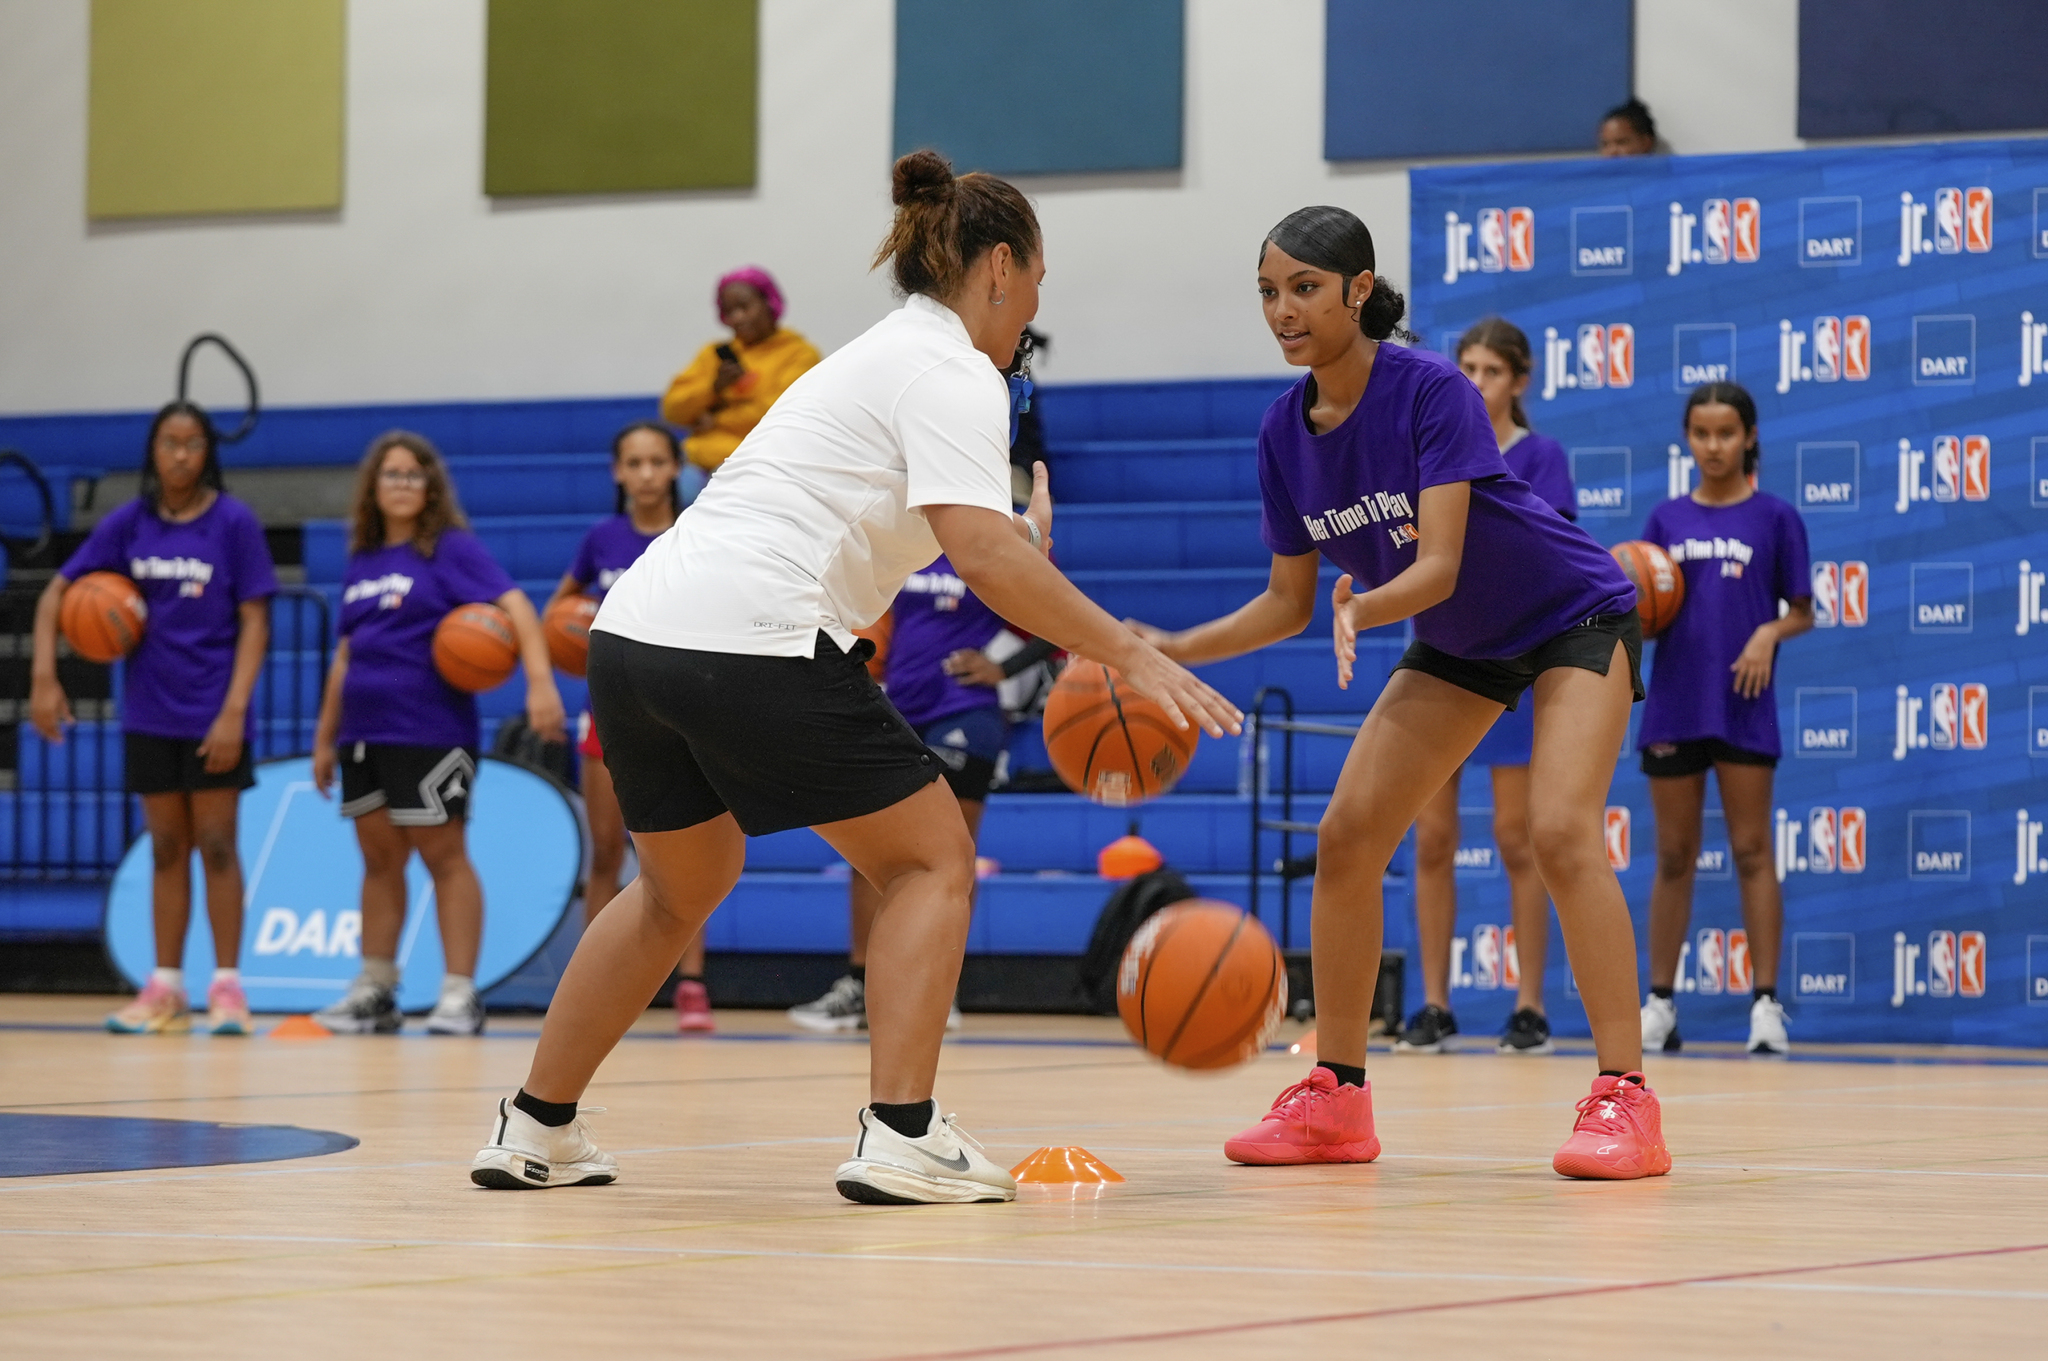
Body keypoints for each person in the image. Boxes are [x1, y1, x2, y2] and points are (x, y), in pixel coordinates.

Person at [470, 149, 1238, 1203]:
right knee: (932, 860)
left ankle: (535, 1123)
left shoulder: (877, 357)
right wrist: (1129, 647)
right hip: (751, 633)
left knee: (676, 889)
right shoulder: (958, 371)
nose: (1028, 316)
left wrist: (1015, 540)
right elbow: (981, 560)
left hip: (636, 636)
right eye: (1036, 289)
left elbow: (908, 531)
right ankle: (903, 1130)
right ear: (1002, 267)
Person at [1127, 205, 1669, 1180]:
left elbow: (1444, 563)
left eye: (1302, 288)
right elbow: (1285, 603)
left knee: (1556, 830)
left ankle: (1624, 1097)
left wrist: (1364, 606)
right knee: (1345, 836)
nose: (1282, 310)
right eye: (1266, 291)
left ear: (1357, 291)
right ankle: (1335, 1097)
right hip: (1461, 642)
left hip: (1570, 615)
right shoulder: (1279, 433)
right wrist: (1173, 644)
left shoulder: (1429, 388)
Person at [30, 401, 277, 1035]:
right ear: (153, 451)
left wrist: (234, 711)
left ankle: (227, 989)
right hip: (150, 711)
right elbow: (60, 590)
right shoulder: (129, 524)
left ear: (207, 453)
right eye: (169, 443)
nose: (181, 455)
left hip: (214, 710)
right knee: (167, 848)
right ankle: (165, 988)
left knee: (218, 847)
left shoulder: (233, 522)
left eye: (193, 444)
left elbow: (255, 620)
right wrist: (43, 676)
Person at [310, 433, 566, 1036]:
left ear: (430, 487)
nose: (400, 484)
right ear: (373, 488)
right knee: (377, 860)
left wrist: (539, 683)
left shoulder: (450, 550)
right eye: (390, 474)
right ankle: (376, 987)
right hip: (363, 734)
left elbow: (517, 607)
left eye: (412, 474)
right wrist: (327, 737)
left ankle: (458, 992)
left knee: (444, 857)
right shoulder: (363, 559)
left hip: (429, 730)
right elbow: (345, 655)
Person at [1395, 318, 1573, 1057]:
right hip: (1441, 643)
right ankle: (1433, 1003)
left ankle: (1528, 1004)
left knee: (1516, 835)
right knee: (1431, 835)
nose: (1475, 380)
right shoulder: (1432, 450)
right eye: (1464, 366)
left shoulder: (1542, 455)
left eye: (1491, 369)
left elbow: (1550, 553)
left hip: (1515, 653)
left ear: (1519, 380)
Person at [784, 553, 1054, 1035]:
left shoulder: (992, 533)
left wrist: (1003, 667)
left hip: (965, 709)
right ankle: (860, 985)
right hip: (898, 702)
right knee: (865, 845)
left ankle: (936, 989)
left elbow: (1056, 617)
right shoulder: (909, 531)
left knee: (950, 855)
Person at [1638, 383, 1812, 1057]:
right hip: (1676, 702)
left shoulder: (1775, 517)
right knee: (1675, 855)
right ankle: (1659, 1003)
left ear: (1750, 437)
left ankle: (1766, 1005)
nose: (1714, 446)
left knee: (1751, 849)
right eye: (1702, 434)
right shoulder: (1665, 521)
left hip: (1743, 700)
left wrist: (1769, 632)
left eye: (1726, 433)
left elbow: (1803, 609)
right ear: (1688, 438)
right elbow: (1645, 607)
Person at [544, 422, 715, 1033]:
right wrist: (568, 637)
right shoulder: (601, 539)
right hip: (610, 707)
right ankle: (593, 985)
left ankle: (691, 984)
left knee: (689, 858)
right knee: (608, 851)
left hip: (684, 703)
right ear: (618, 472)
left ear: (675, 469)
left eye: (655, 462)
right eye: (633, 463)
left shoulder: (698, 531)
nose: (645, 473)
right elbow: (557, 615)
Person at [660, 266, 822, 476]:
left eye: (744, 307)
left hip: (762, 462)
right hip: (700, 460)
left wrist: (715, 419)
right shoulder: (713, 354)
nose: (737, 318)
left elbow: (778, 414)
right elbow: (672, 409)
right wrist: (714, 388)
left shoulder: (800, 354)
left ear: (770, 302)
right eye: (728, 312)